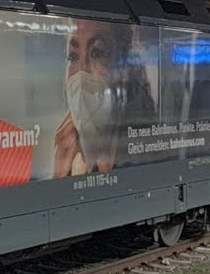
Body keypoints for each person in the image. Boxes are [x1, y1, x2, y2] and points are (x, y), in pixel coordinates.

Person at [53, 21, 156, 177]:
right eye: (72, 56)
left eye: (97, 53)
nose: (81, 73)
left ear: (124, 69)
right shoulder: (71, 158)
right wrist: (59, 178)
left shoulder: (145, 150)